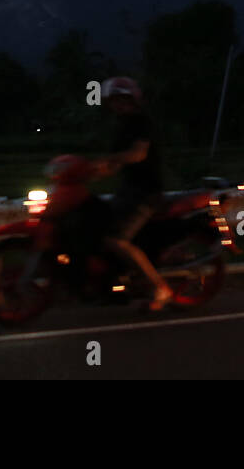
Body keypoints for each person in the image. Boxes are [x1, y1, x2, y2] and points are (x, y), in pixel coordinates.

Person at [93, 76, 174, 311]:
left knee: (116, 239)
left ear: (133, 100)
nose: (119, 105)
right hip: (128, 190)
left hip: (145, 192)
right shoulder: (121, 126)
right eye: (114, 101)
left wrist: (108, 160)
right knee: (97, 228)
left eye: (123, 100)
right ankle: (115, 285)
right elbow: (115, 164)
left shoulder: (141, 123)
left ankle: (161, 289)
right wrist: (86, 172)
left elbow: (138, 155)